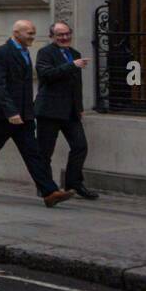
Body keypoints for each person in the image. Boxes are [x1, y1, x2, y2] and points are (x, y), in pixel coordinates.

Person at [0, 20, 73, 207]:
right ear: (16, 33)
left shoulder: (25, 52)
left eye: (33, 33)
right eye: (29, 33)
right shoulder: (2, 53)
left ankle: (49, 192)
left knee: (33, 153)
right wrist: (11, 112)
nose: (32, 37)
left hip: (24, 115)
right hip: (3, 116)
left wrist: (28, 112)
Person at [35, 21, 97, 200]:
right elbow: (47, 75)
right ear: (52, 37)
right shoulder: (45, 53)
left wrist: (79, 108)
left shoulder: (74, 54)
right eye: (60, 35)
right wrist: (72, 65)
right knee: (45, 151)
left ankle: (74, 183)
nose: (64, 38)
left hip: (70, 112)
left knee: (80, 146)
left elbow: (76, 85)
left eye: (67, 34)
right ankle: (46, 187)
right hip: (49, 111)